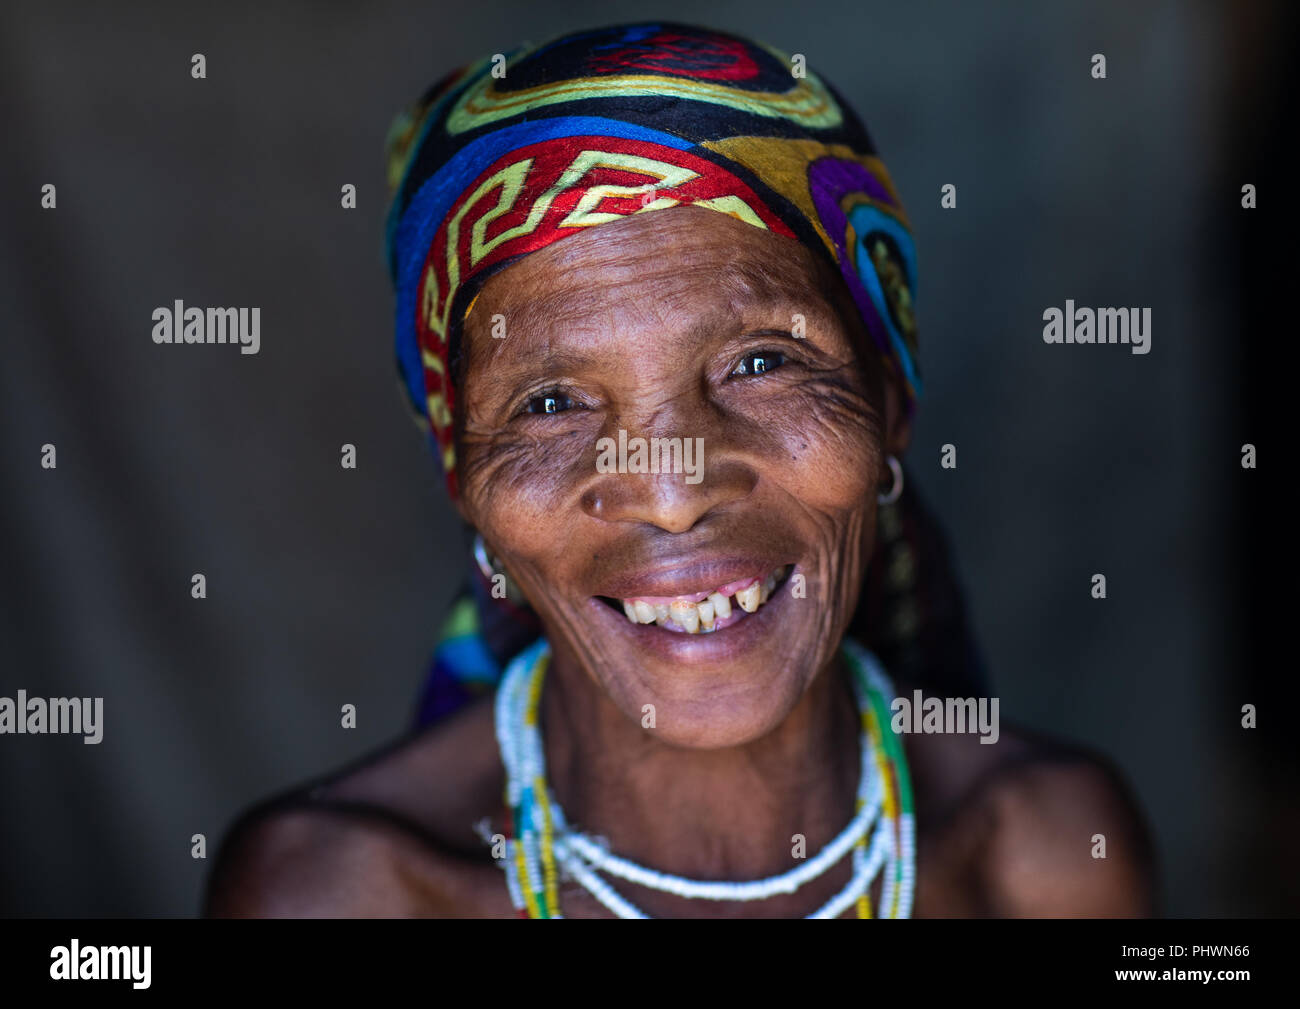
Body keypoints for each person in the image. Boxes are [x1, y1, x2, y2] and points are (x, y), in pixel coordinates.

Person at [206, 21, 1153, 918]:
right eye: (549, 404)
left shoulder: (1045, 855)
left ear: (891, 404)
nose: (672, 492)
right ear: (465, 481)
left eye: (761, 362)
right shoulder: (341, 894)